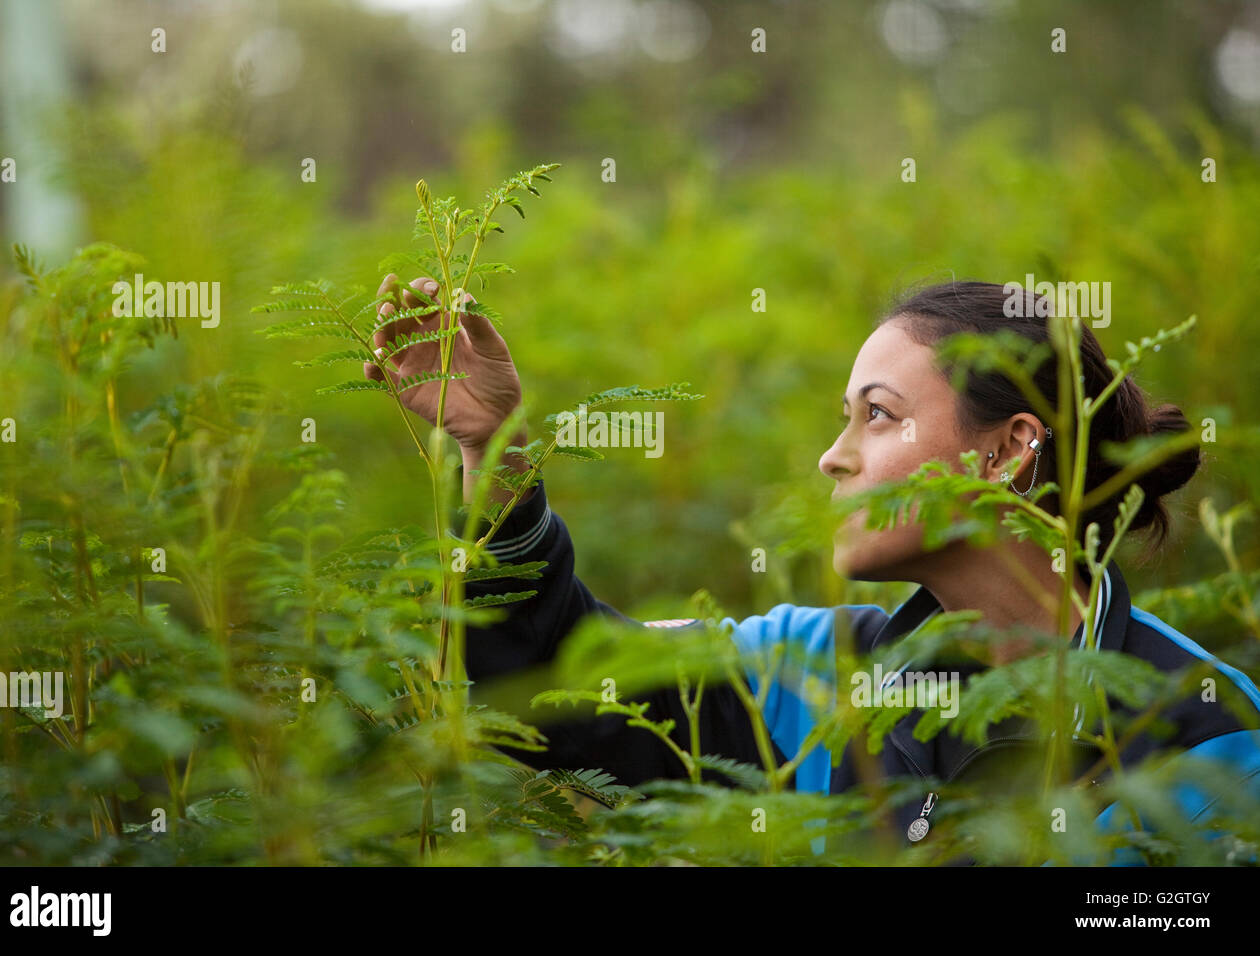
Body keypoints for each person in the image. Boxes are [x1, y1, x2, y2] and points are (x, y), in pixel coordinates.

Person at [364, 275, 1260, 863]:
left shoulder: (1206, 728)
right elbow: (558, 684)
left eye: (876, 415)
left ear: (1006, 451)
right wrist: (497, 453)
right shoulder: (808, 669)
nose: (832, 459)